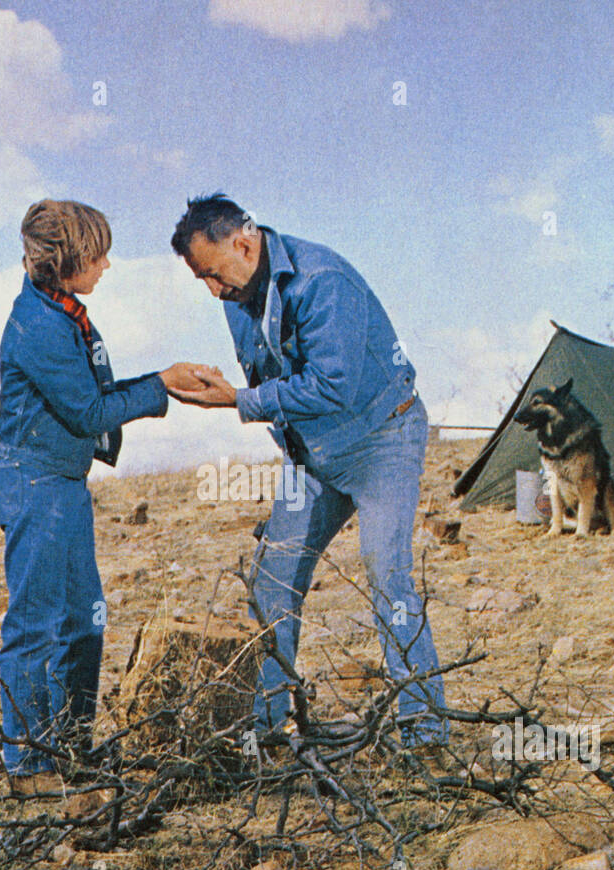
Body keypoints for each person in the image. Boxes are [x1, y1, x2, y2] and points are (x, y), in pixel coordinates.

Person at [167, 194, 450, 753]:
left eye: (213, 274)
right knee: (272, 580)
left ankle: (425, 733)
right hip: (313, 454)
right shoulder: (237, 293)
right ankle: (264, 733)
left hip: (382, 439)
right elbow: (275, 379)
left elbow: (331, 386)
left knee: (387, 573)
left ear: (243, 244)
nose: (213, 290)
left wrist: (237, 401)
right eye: (202, 278)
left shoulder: (324, 281)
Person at [0, 198, 220, 795]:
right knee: (36, 624)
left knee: (82, 621)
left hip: (61, 484)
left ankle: (68, 748)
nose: (107, 266)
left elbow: (91, 395)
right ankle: (28, 767)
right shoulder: (39, 326)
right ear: (67, 260)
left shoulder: (61, 312)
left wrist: (160, 383)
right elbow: (88, 410)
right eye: (98, 255)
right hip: (36, 483)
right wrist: (161, 386)